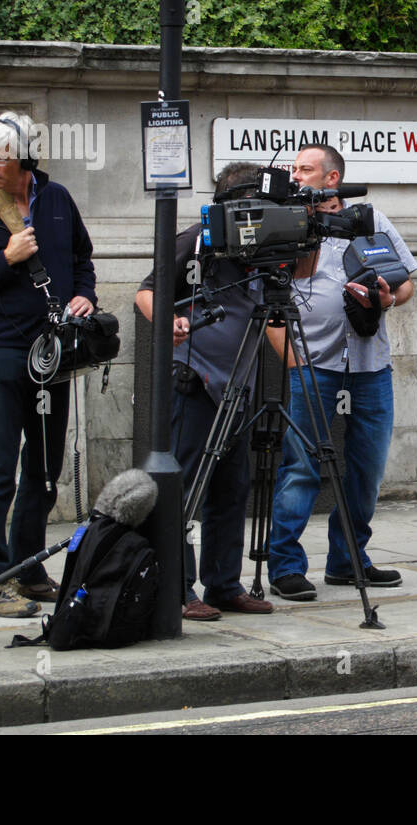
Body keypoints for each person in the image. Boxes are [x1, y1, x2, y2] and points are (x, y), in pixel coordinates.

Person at [0, 111, 96, 616]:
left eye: (0, 159)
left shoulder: (57, 201)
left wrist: (84, 296)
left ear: (25, 160)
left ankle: (27, 568)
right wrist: (5, 258)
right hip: (3, 354)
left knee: (45, 470)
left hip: (51, 355)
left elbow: (82, 258)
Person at [267, 144, 417, 602]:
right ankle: (286, 565)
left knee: (365, 470)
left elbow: (406, 281)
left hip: (370, 366)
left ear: (332, 179)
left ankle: (348, 559)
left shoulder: (371, 219)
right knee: (301, 467)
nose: (296, 175)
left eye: (305, 169)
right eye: (294, 168)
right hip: (313, 364)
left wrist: (389, 298)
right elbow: (269, 303)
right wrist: (294, 361)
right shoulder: (287, 224)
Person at [135, 162, 275, 619]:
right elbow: (147, 292)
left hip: (237, 387)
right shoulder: (196, 241)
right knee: (182, 487)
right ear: (229, 204)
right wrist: (168, 323)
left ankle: (223, 584)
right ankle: (178, 588)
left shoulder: (268, 242)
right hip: (193, 380)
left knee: (232, 488)